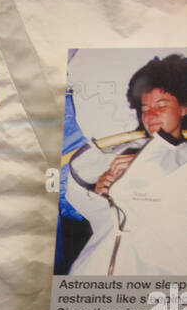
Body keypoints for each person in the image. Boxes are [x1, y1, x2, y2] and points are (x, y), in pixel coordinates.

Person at [68, 54, 187, 275]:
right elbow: (98, 218)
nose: (151, 116)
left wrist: (143, 167)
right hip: (94, 271)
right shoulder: (120, 152)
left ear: (183, 108)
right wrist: (102, 193)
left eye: (161, 106)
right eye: (145, 109)